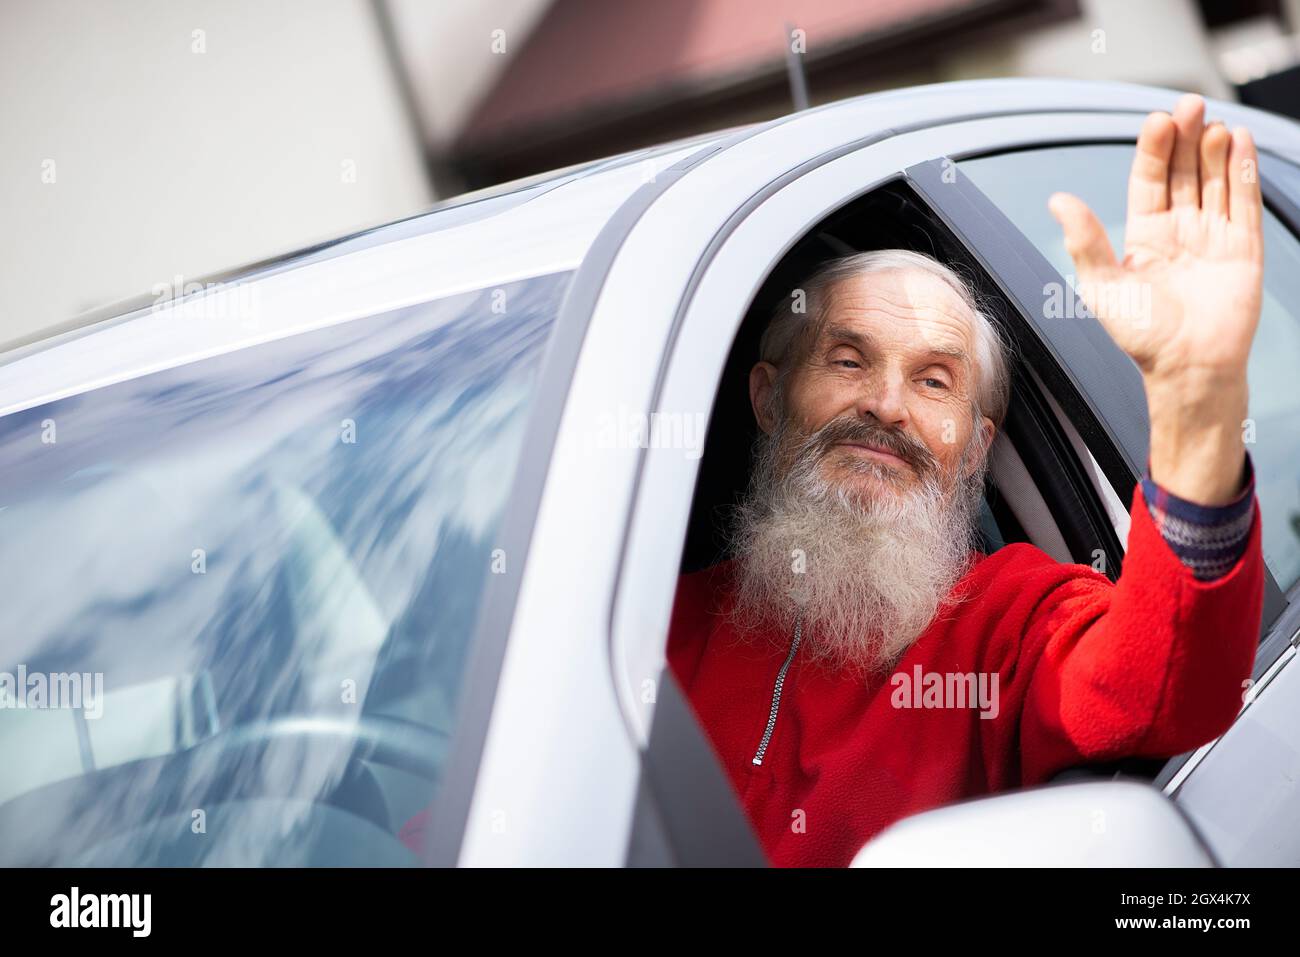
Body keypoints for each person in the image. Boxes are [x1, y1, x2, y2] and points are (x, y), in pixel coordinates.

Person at [665, 94, 1266, 867]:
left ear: (976, 447)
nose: (886, 405)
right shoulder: (651, 625)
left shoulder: (1005, 621)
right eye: (848, 360)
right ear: (768, 398)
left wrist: (1196, 403)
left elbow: (1158, 683)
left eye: (934, 381)